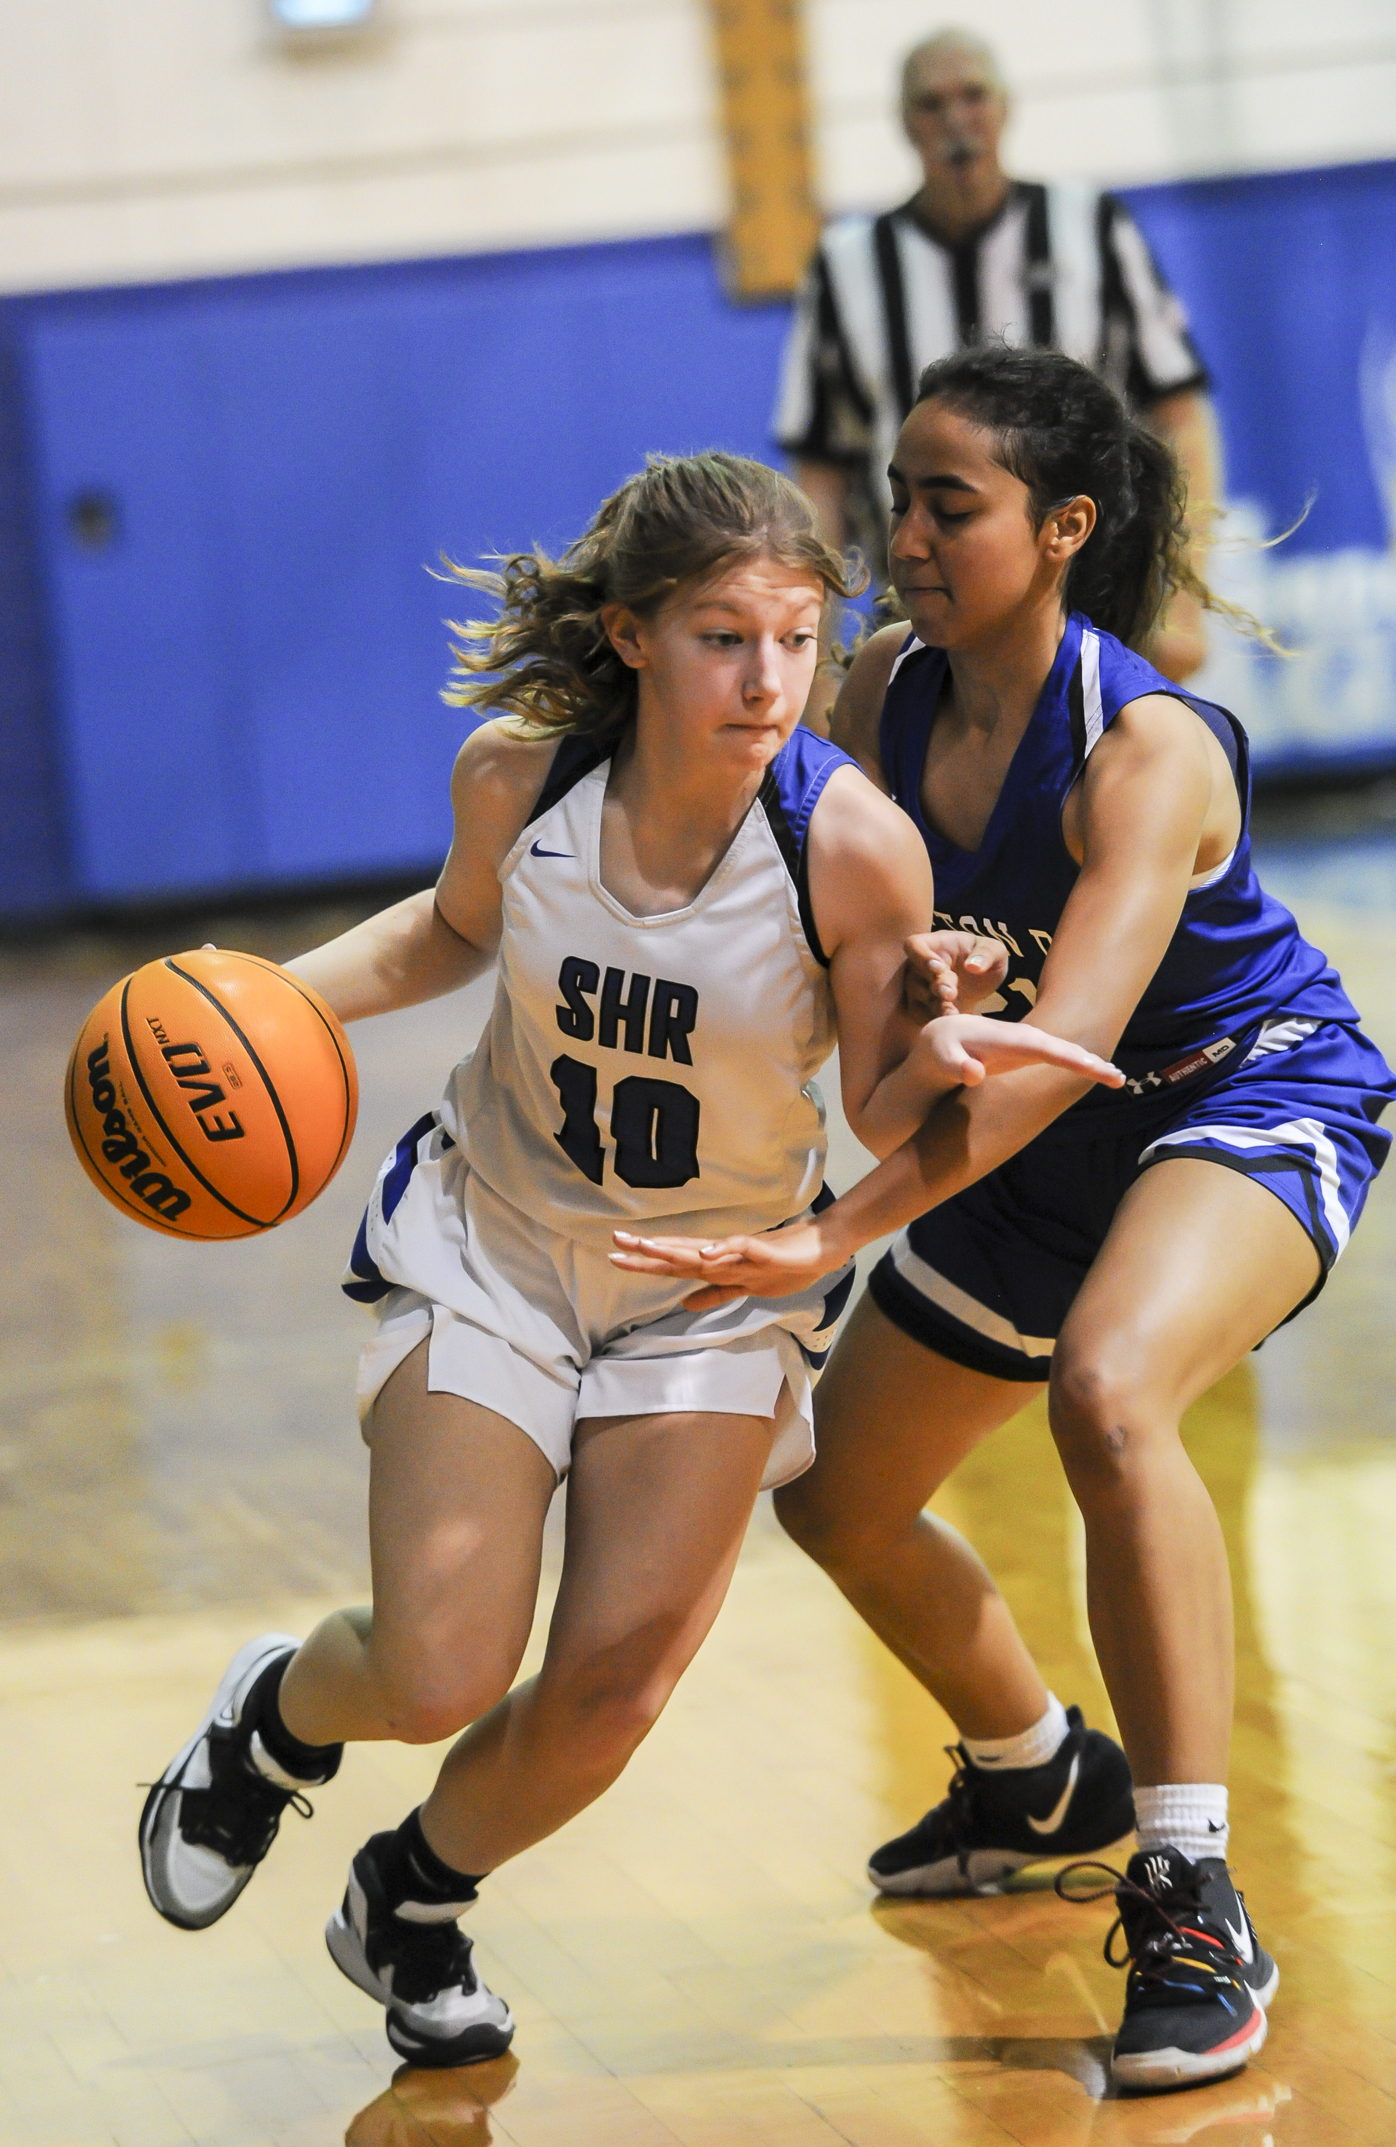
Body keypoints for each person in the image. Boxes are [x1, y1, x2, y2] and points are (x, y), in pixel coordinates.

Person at [134, 450, 1122, 2070]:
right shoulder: (519, 782)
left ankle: (411, 1892)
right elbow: (459, 928)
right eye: (727, 636)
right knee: (443, 1662)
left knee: (610, 1683)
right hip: (499, 1250)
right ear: (631, 635)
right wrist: (268, 1001)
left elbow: (878, 1119)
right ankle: (274, 1720)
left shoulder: (852, 849)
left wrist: (950, 1053)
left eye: (799, 639)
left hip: (709, 1289)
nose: (770, 678)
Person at [613, 352, 1396, 2092]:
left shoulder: (1145, 747)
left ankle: (1190, 1890)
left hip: (1232, 1092)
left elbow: (1064, 1054)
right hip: (1036, 1138)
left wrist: (830, 1232)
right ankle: (1041, 1770)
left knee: (1110, 1392)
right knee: (836, 1485)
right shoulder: (879, 690)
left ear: (1062, 528)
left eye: (944, 504)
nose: (901, 533)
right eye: (893, 496)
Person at [773, 26, 1218, 697]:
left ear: (1006, 107)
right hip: (926, 607)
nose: (956, 120)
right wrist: (812, 654)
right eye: (932, 103)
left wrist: (1183, 600)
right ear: (904, 123)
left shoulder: (1092, 227)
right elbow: (821, 479)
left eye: (974, 96)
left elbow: (1180, 415)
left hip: (1089, 593)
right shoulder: (846, 268)